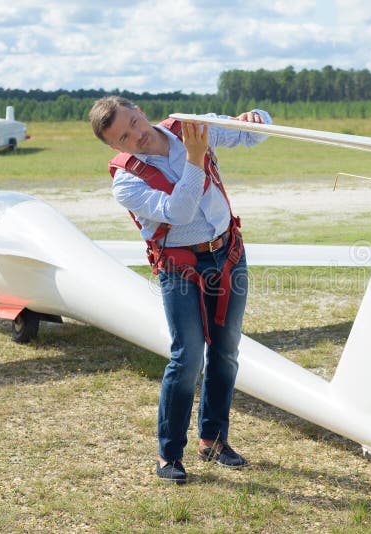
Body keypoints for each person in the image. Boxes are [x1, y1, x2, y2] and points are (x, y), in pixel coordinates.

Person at [89, 96, 270, 484]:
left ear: (139, 109)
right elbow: (180, 213)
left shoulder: (188, 125)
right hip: (179, 267)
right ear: (114, 147)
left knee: (226, 350)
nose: (137, 134)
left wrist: (255, 119)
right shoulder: (127, 183)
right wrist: (195, 156)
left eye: (135, 121)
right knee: (187, 357)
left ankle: (214, 441)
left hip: (228, 253)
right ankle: (169, 454)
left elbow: (254, 135)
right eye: (124, 136)